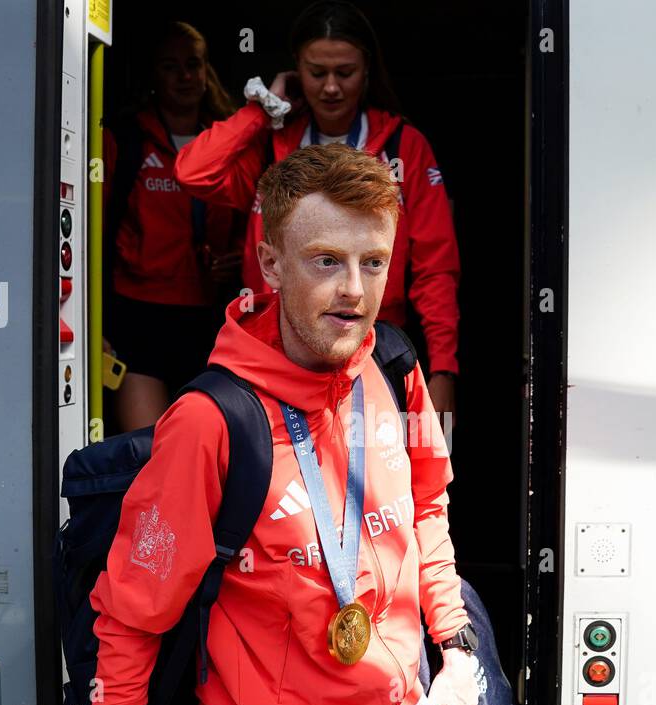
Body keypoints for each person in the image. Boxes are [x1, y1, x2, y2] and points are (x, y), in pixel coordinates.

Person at [87, 144, 481, 705]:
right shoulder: (211, 421)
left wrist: (455, 652)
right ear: (270, 266)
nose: (353, 291)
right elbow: (133, 609)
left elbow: (428, 510)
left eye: (372, 262)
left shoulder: (395, 367)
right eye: (325, 260)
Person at [173, 0, 461, 432]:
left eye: (344, 73)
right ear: (296, 72)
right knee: (285, 485)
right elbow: (193, 171)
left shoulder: (405, 145)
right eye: (316, 72)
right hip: (273, 349)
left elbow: (436, 267)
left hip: (374, 346)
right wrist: (261, 109)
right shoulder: (271, 143)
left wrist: (442, 371)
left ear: (367, 72)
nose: (330, 87)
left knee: (386, 481)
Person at [101, 22, 246, 432]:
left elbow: (253, 217)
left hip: (208, 316)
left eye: (193, 64)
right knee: (147, 452)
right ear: (153, 74)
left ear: (206, 71)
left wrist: (237, 260)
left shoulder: (228, 142)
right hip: (136, 315)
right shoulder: (125, 140)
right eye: (170, 66)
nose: (184, 76)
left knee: (202, 448)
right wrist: (96, 324)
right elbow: (91, 231)